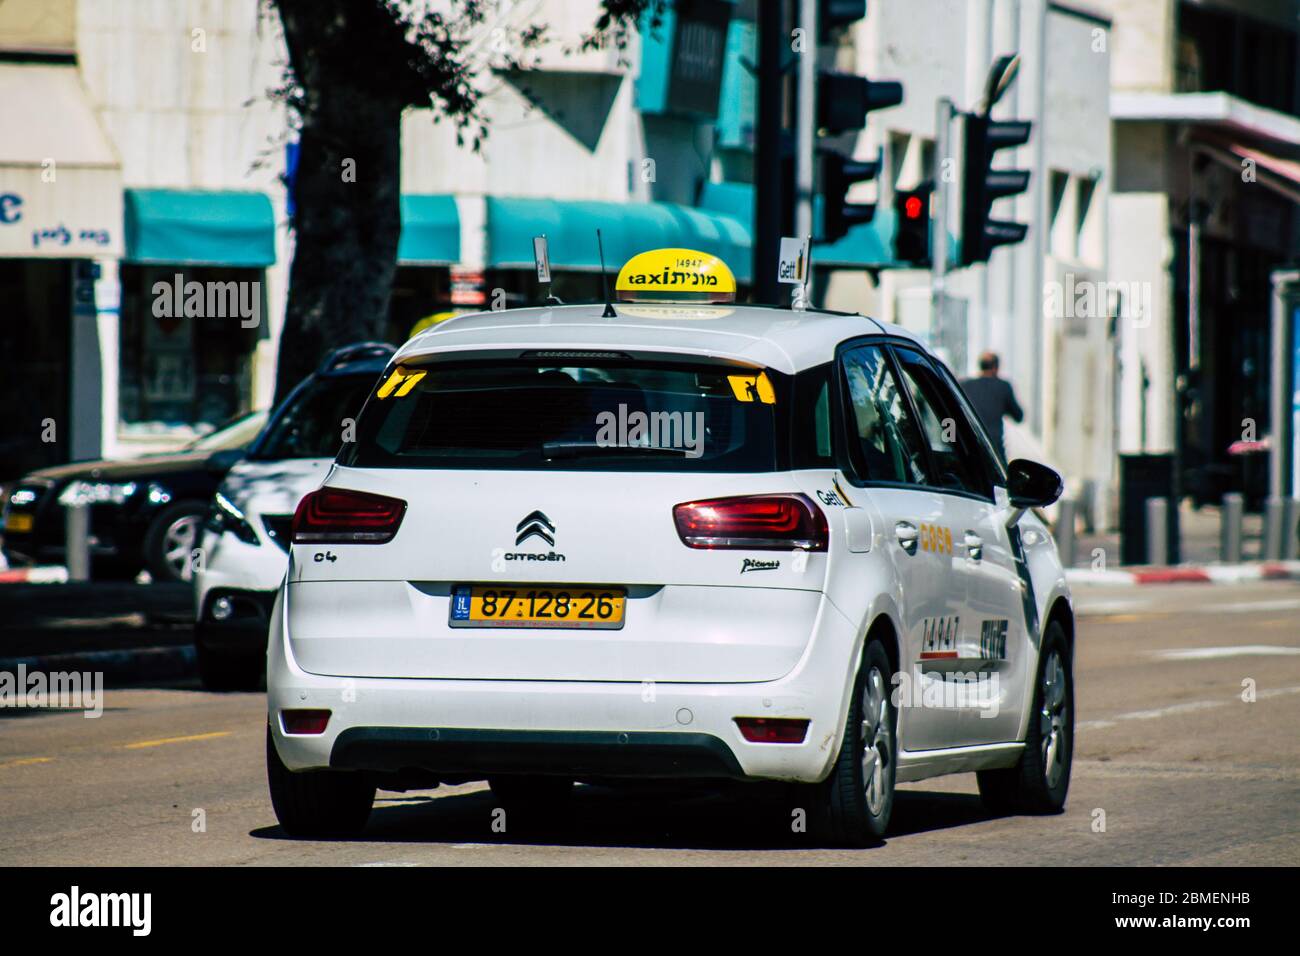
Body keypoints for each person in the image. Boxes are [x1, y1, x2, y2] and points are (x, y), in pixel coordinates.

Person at [961, 351, 1023, 463]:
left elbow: (950, 420)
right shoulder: (1003, 386)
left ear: (980, 366)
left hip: (968, 449)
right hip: (994, 453)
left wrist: (949, 439)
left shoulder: (965, 385)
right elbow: (1018, 416)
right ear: (996, 367)